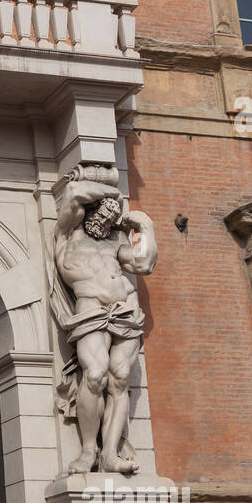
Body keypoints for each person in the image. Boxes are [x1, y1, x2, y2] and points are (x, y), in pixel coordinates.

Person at [51, 165, 157, 475]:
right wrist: (114, 193)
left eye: (111, 220)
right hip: (91, 310)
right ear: (88, 211)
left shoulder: (114, 244)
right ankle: (88, 450)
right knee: (95, 375)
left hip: (125, 309)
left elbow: (144, 263)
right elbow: (72, 192)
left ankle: (110, 454)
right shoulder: (67, 235)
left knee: (119, 378)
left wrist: (145, 227)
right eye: (101, 216)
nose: (104, 223)